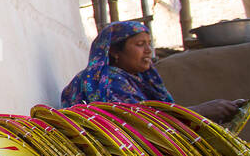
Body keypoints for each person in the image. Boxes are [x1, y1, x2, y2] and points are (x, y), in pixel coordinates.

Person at [60, 20, 240, 122]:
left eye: (149, 44)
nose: (148, 51)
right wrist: (200, 112)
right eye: (139, 44)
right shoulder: (108, 82)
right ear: (114, 51)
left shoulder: (134, 81)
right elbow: (140, 125)